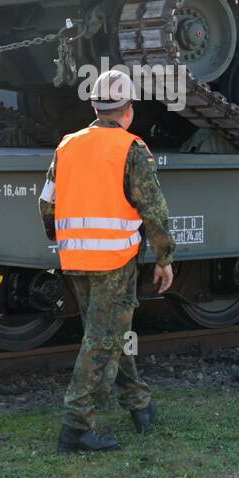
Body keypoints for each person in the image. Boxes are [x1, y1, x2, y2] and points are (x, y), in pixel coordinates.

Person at [39, 69, 175, 453]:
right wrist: (164, 257)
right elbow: (153, 209)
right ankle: (76, 427)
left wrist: (62, 236)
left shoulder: (66, 146)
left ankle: (139, 405)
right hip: (115, 259)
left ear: (96, 106)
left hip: (76, 258)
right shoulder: (132, 149)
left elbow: (46, 204)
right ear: (128, 111)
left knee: (106, 334)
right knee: (104, 339)